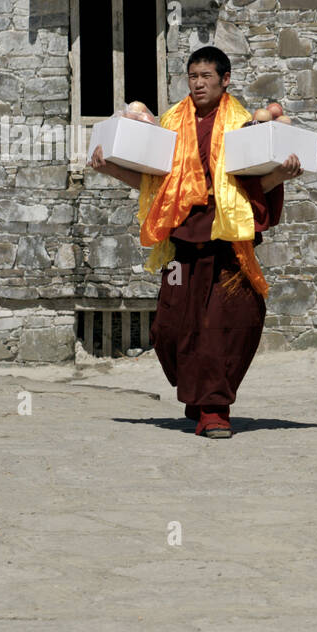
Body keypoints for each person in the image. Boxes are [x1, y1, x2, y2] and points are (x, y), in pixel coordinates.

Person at [88, 46, 302, 438]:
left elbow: (253, 185)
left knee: (226, 326)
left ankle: (215, 410)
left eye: (206, 76)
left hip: (227, 245)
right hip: (181, 247)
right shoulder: (170, 123)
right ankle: (196, 390)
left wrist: (282, 177)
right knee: (170, 329)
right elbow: (154, 184)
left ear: (226, 79)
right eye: (193, 76)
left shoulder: (245, 126)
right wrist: (111, 169)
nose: (199, 83)